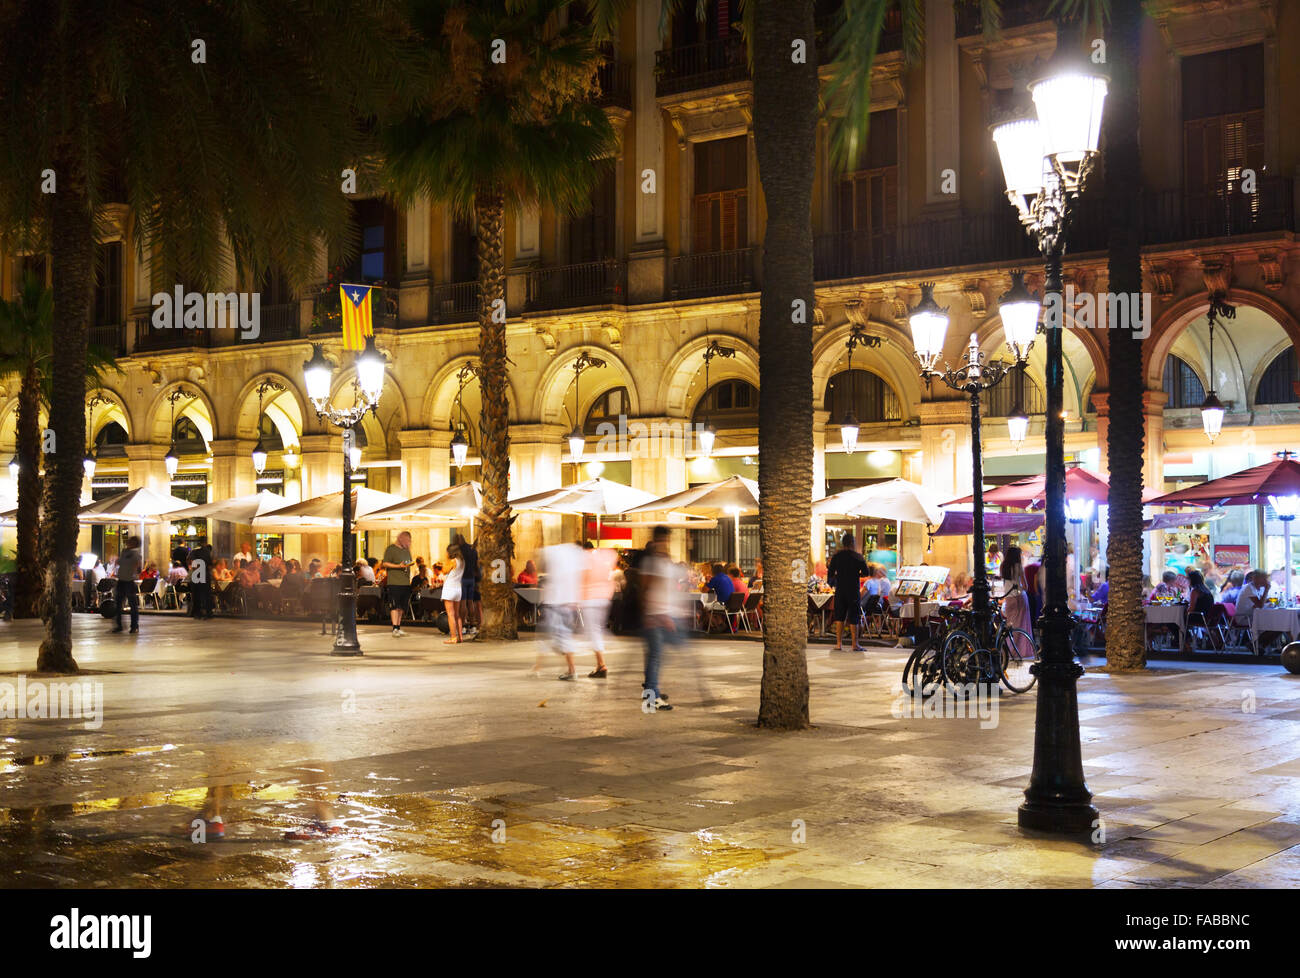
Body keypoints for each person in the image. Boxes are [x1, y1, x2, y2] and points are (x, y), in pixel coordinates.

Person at [639, 526, 680, 711]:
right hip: (655, 615)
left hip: (660, 614)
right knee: (655, 656)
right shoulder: (653, 561)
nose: (666, 544)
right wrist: (656, 614)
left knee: (654, 656)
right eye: (664, 540)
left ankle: (650, 690)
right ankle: (651, 696)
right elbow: (647, 588)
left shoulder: (662, 560)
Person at [535, 541, 584, 679]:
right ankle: (567, 668)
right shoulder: (576, 555)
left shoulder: (552, 551)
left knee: (551, 636)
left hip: (555, 603)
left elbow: (541, 565)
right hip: (569, 602)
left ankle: (571, 670)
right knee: (562, 636)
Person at [828, 532, 869, 652]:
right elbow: (866, 573)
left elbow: (830, 573)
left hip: (840, 589)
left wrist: (838, 576)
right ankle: (854, 644)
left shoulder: (836, 556)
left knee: (839, 616)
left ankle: (838, 644)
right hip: (853, 590)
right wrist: (857, 574)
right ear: (852, 543)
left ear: (843, 543)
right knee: (854, 616)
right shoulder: (858, 557)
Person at [580, 542, 616, 678]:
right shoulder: (603, 557)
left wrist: (580, 596)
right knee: (596, 629)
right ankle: (600, 664)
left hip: (591, 599)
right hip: (603, 599)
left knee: (593, 632)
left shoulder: (586, 558)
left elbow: (584, 577)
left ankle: (601, 664)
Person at [998, 546, 1034, 660]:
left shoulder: (1003, 566)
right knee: (1022, 625)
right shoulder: (1018, 567)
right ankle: (1021, 651)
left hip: (1009, 599)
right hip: (1019, 598)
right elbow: (1026, 586)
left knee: (1010, 626)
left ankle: (1008, 650)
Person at [381, 530, 415, 637]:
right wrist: (398, 566)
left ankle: (399, 627)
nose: (409, 542)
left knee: (401, 606)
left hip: (405, 582)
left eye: (410, 541)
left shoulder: (406, 550)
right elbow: (385, 563)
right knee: (394, 606)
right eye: (407, 540)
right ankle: (394, 628)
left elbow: (408, 562)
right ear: (401, 538)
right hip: (394, 582)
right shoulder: (391, 549)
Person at [111, 534, 143, 634]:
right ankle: (119, 625)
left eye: (131, 541)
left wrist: (133, 572)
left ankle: (134, 626)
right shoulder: (125, 552)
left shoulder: (135, 554)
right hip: (121, 580)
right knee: (118, 603)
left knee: (132, 604)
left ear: (135, 543)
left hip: (129, 580)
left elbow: (138, 566)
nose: (128, 542)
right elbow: (119, 562)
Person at [457, 533, 481, 636]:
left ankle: (462, 626)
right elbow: (476, 566)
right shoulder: (473, 550)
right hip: (471, 579)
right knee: (471, 603)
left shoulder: (460, 551)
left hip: (462, 578)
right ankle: (473, 626)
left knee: (463, 603)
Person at [441, 543, 465, 644]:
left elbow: (444, 571)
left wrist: (446, 560)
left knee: (450, 614)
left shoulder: (452, 561)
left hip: (450, 588)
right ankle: (460, 637)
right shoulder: (462, 561)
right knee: (457, 615)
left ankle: (453, 637)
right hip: (458, 589)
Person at [188, 540, 215, 619]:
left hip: (197, 575)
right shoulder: (207, 552)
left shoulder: (194, 552)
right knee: (206, 594)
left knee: (197, 595)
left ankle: (198, 613)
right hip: (205, 575)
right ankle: (208, 612)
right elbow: (210, 564)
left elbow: (193, 564)